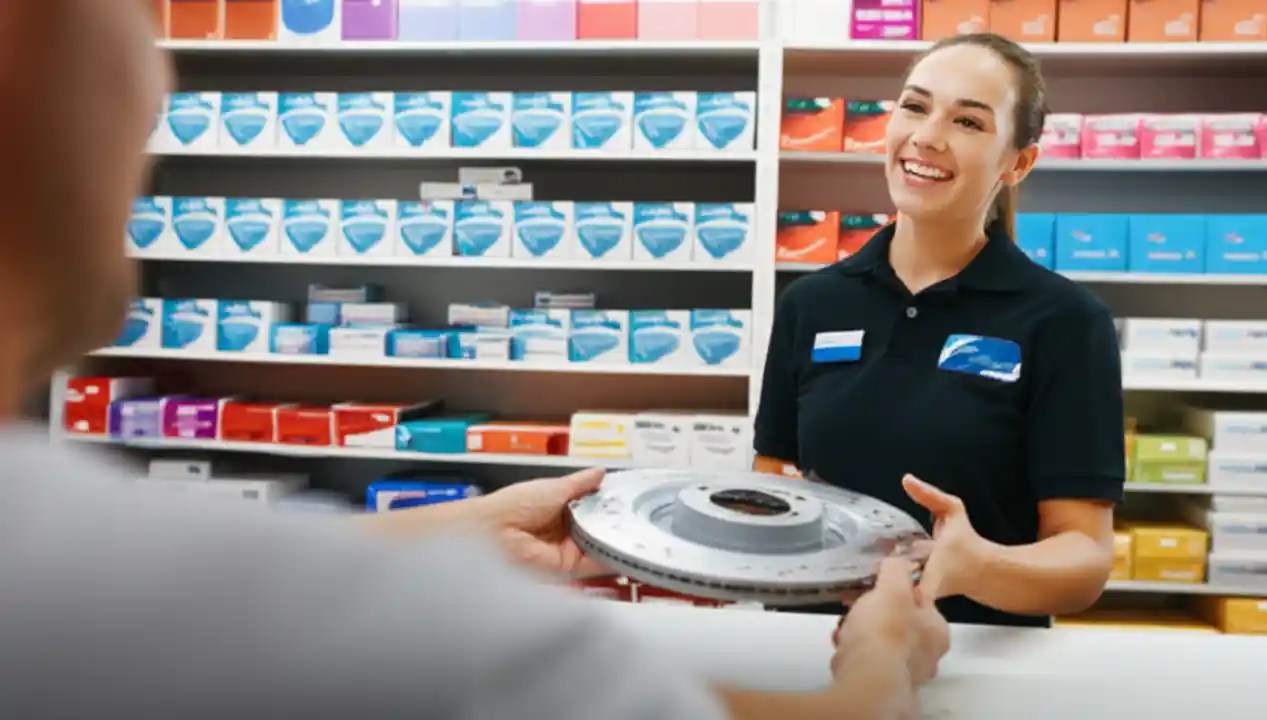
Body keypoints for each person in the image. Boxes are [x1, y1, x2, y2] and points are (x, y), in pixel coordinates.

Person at [0, 2, 949, 718]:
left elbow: (213, 583)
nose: (158, 83)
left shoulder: (69, 557)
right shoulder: (435, 643)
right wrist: (881, 659)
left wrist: (468, 527)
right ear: (25, 55)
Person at [755, 33, 1124, 629]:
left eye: (969, 122)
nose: (927, 135)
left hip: (976, 664)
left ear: (1017, 162)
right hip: (811, 654)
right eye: (915, 106)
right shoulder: (811, 305)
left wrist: (977, 566)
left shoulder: (1063, 322)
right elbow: (770, 486)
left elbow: (1084, 559)